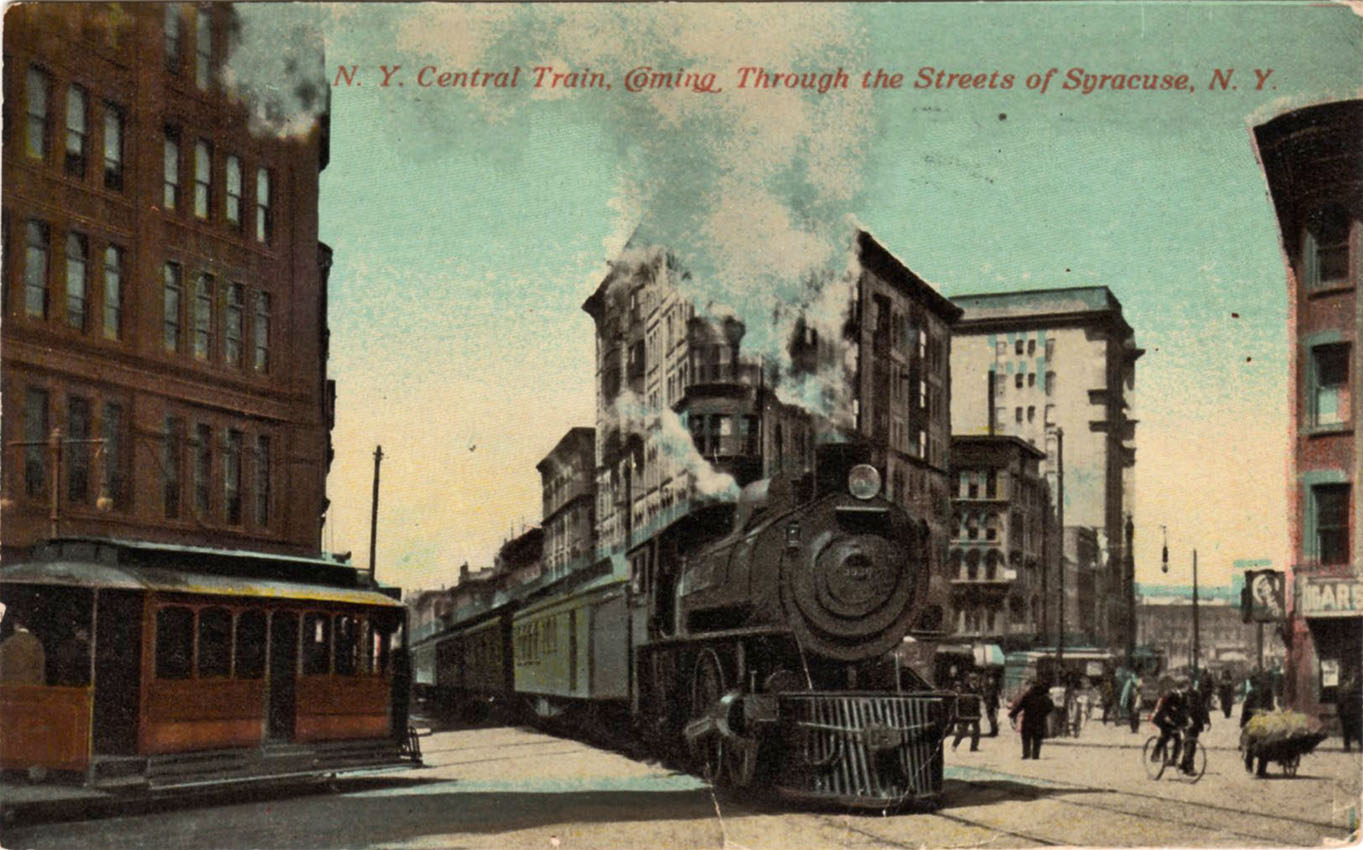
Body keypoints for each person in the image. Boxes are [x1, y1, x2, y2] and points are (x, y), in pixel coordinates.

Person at [1151, 677, 1192, 772]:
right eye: (1186, 686)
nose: (1188, 688)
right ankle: (1155, 753)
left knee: (1178, 739)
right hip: (1163, 718)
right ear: (1182, 686)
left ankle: (1173, 759)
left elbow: (1185, 709)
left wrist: (1188, 718)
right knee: (1166, 736)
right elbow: (1163, 706)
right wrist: (1166, 717)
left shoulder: (1184, 696)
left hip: (1174, 719)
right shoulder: (1170, 694)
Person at [1009, 679, 1055, 760]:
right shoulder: (1044, 697)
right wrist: (1043, 713)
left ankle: (1026, 754)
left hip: (1028, 720)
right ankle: (1035, 755)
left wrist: (1012, 714)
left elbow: (1020, 706)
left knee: (1026, 738)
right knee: (1037, 739)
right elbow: (1051, 707)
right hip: (1039, 721)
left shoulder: (1028, 695)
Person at [0, 619, 47, 685]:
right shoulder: (36, 643)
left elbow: (1, 667)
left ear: (16, 626)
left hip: (9, 687)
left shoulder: (7, 643)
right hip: (31, 687)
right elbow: (40, 670)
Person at [951, 674, 982, 752]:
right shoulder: (965, 689)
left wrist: (978, 712)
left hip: (974, 712)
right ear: (970, 681)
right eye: (973, 680)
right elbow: (962, 700)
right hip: (967, 713)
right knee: (964, 730)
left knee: (977, 730)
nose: (974, 682)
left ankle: (973, 747)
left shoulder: (977, 689)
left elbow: (978, 700)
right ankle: (954, 744)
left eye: (975, 680)